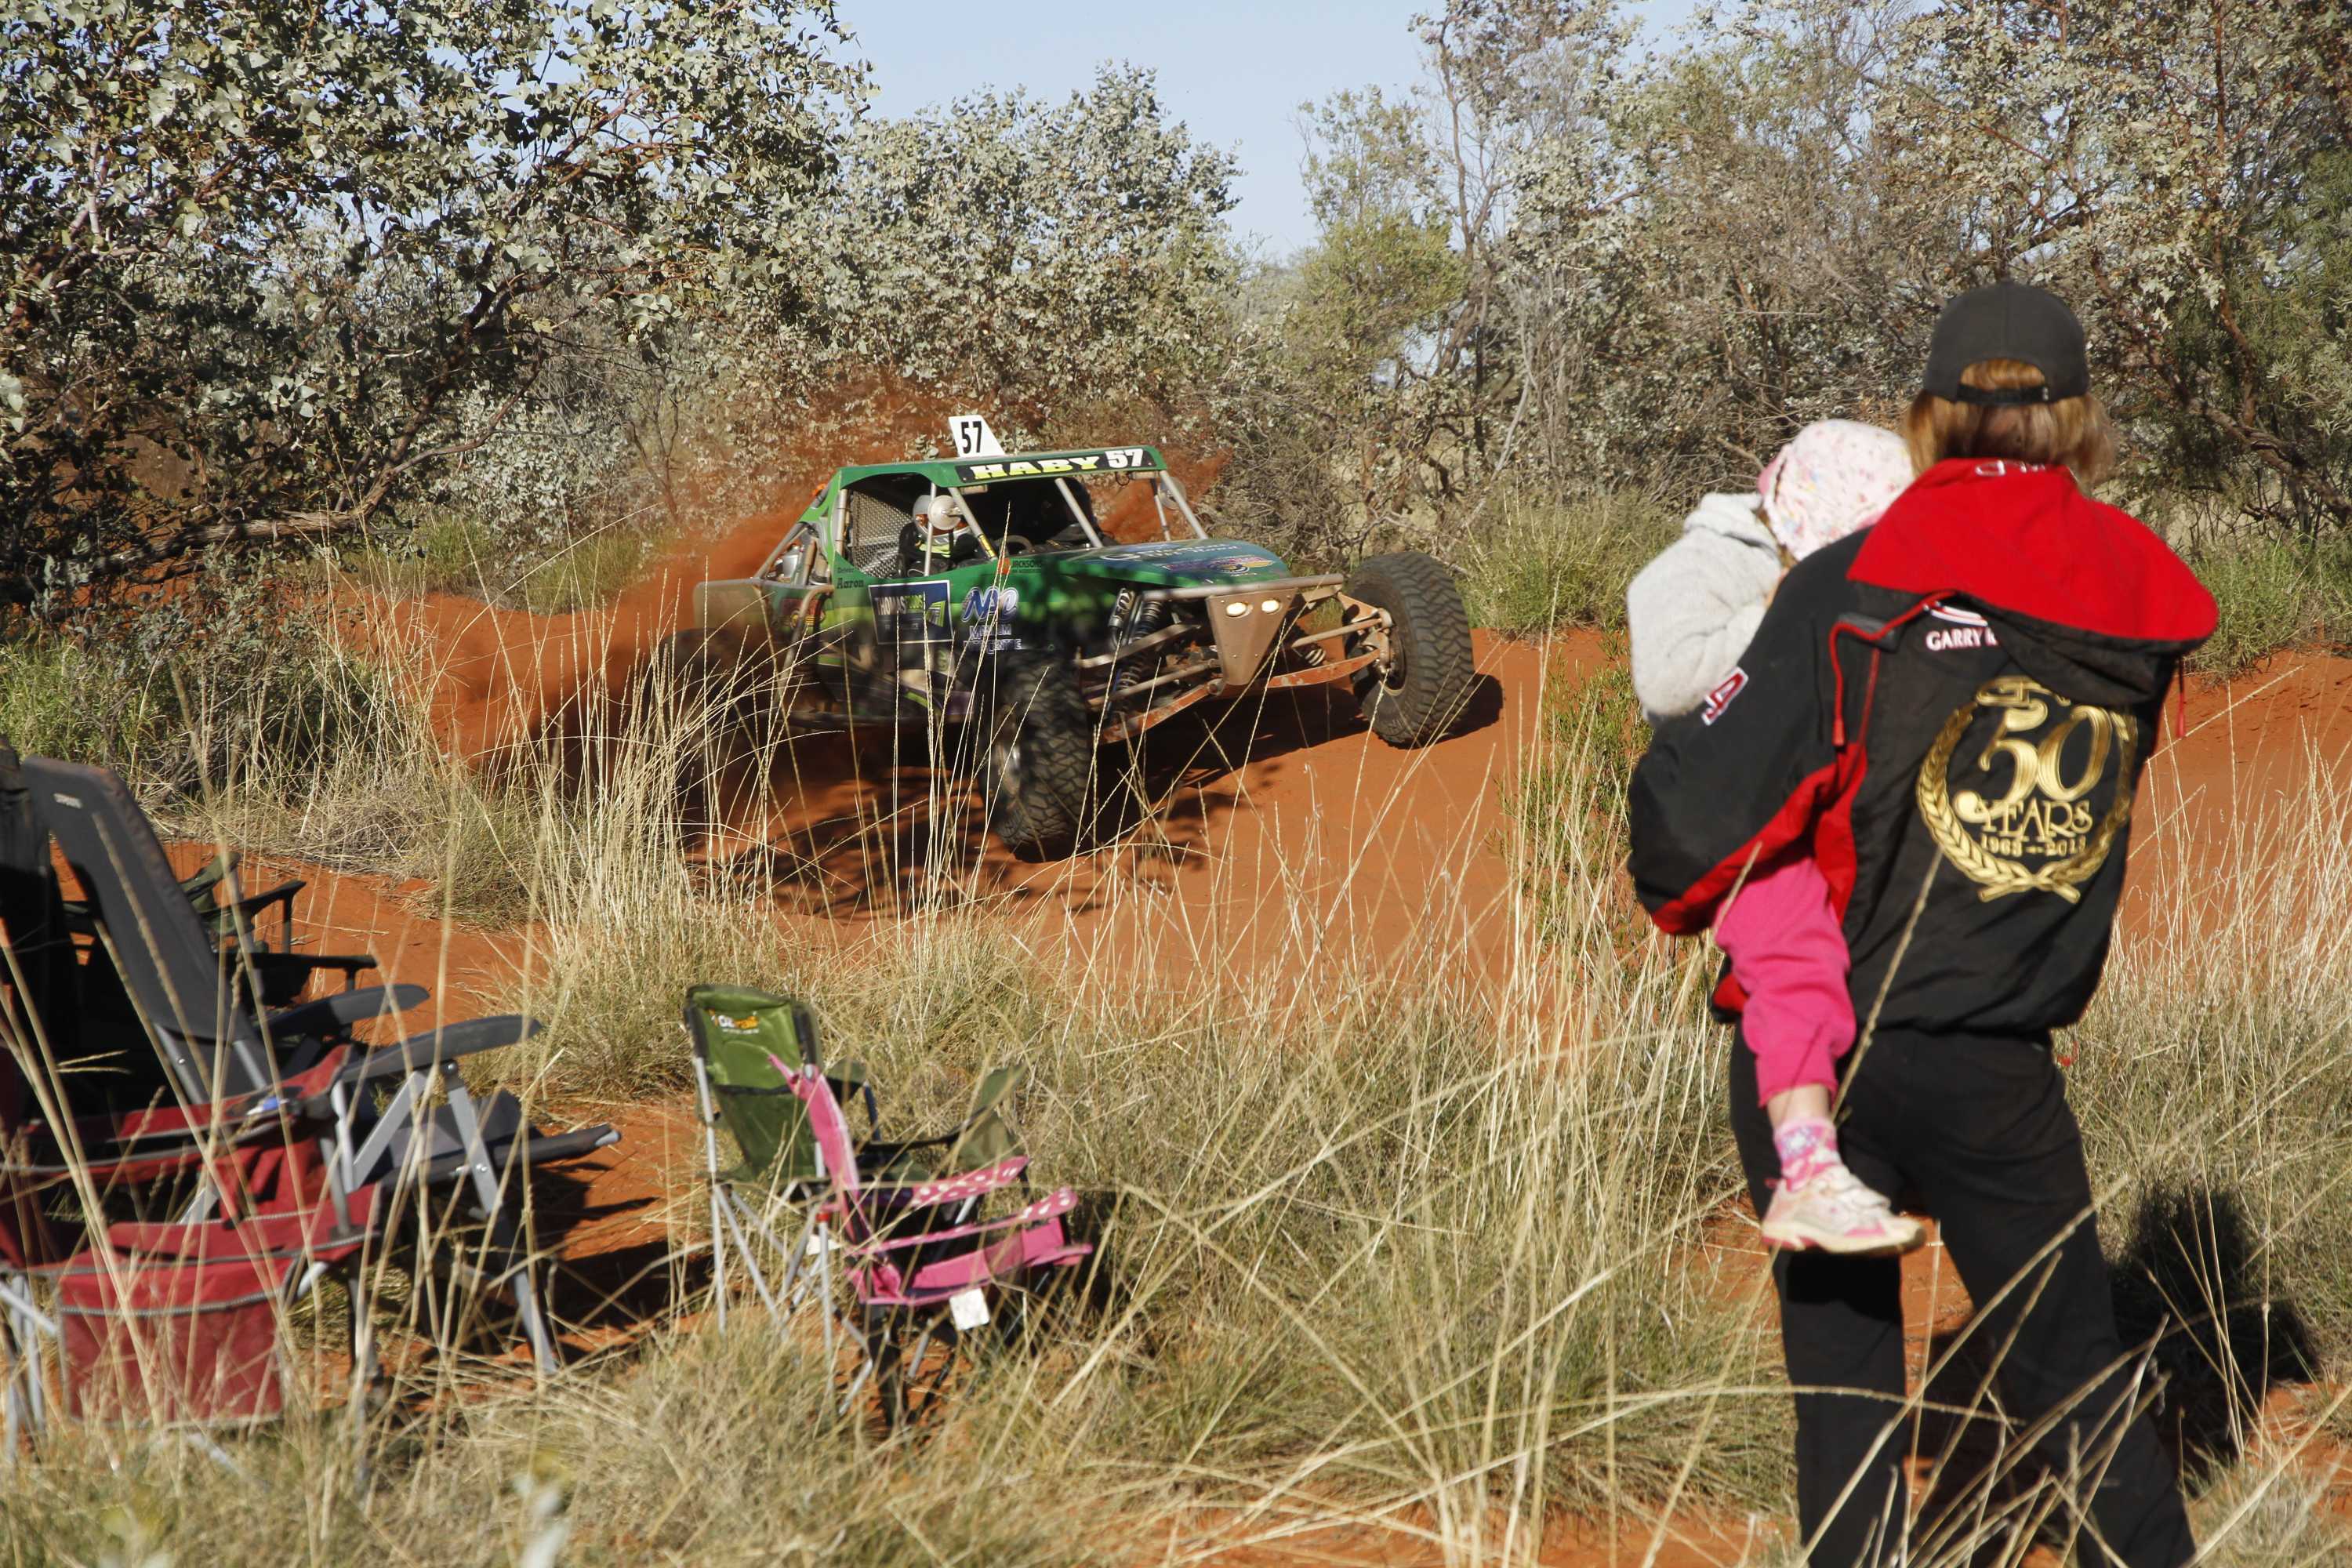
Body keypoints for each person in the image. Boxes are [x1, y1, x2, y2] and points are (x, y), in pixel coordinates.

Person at [1627, 282, 2214, 1566]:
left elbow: (1696, 822)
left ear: (1929, 417)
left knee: (1843, 1405)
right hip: (2001, 1059)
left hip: (1814, 1056)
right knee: (2078, 1386)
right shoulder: (2140, 594)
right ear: (2082, 423)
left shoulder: (1853, 580)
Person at [1625, 420, 1921, 1256]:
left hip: (1824, 797)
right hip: (1739, 808)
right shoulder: (1700, 563)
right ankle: (1806, 1170)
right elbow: (1669, 676)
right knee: (1794, 961)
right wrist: (1789, 611)